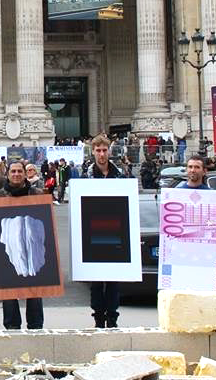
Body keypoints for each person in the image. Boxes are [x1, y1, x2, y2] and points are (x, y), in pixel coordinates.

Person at [0, 161, 45, 330]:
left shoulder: (37, 193)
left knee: (35, 292)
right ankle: (12, 328)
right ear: (8, 174)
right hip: (7, 250)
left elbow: (46, 220)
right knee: (8, 293)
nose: (16, 174)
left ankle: (36, 327)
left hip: (32, 248)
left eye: (19, 171)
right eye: (13, 171)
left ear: (25, 174)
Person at [86, 134, 122, 328]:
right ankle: (99, 318)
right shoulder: (86, 176)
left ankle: (113, 318)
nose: (101, 154)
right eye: (98, 150)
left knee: (114, 282)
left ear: (109, 151)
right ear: (93, 152)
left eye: (104, 150)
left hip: (116, 233)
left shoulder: (120, 175)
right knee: (97, 283)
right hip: (94, 233)